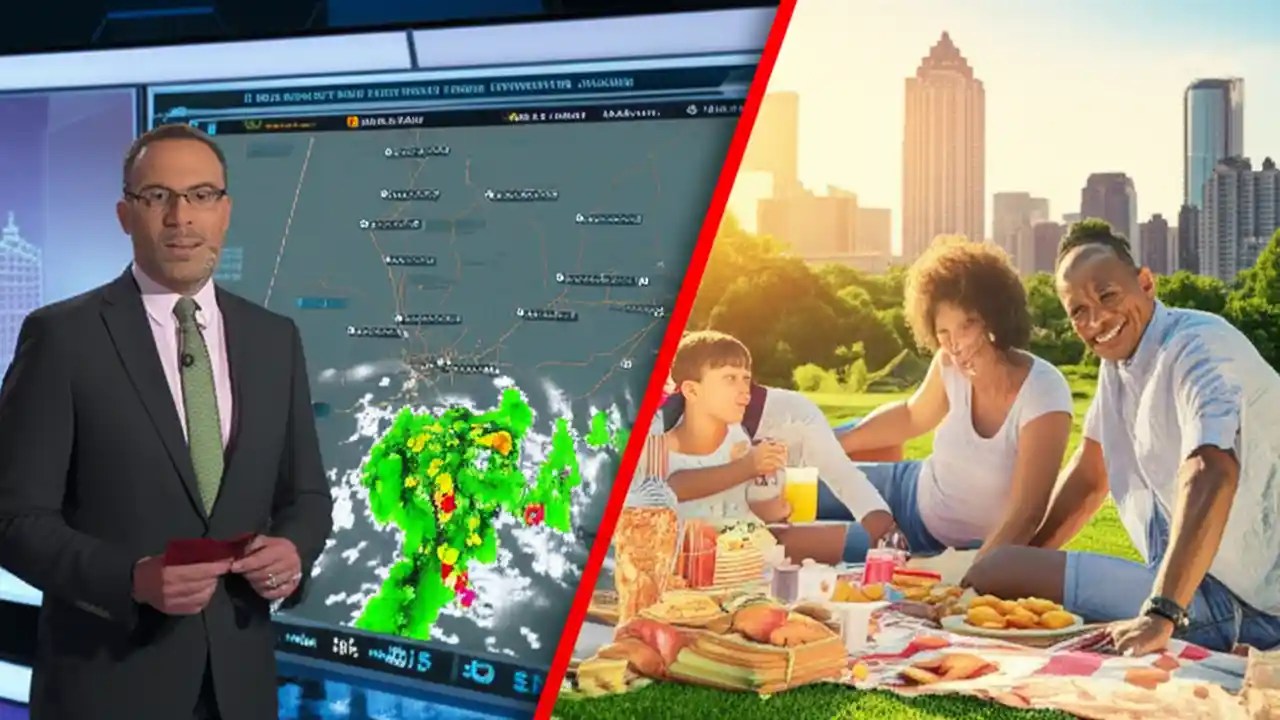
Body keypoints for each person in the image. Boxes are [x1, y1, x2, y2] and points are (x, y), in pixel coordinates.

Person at [0, 123, 334, 720]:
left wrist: (293, 552)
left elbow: (306, 495)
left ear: (225, 212)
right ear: (126, 214)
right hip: (107, 690)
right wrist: (129, 579)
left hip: (240, 691)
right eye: (157, 196)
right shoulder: (62, 337)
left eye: (201, 195)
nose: (181, 216)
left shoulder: (274, 339)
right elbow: (13, 519)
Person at [964, 219, 1280, 656]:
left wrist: (1161, 614)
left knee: (997, 570)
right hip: (1192, 587)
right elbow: (1090, 475)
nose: (1097, 319)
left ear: (1145, 283)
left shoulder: (1198, 348)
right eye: (1078, 311)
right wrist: (1022, 568)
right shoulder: (1119, 366)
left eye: (1107, 295)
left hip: (1255, 606)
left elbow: (1211, 468)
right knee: (1000, 570)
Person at [829, 236, 1075, 564]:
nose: (955, 344)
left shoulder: (1044, 392)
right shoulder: (948, 364)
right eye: (943, 332)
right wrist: (831, 445)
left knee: (795, 538)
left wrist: (969, 576)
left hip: (925, 544)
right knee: (788, 486)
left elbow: (1025, 515)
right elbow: (912, 416)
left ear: (996, 316)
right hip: (905, 487)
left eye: (967, 325)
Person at [659, 330, 902, 556]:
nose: (742, 391)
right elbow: (672, 485)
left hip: (781, 459)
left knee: (833, 530)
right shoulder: (675, 426)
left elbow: (843, 477)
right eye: (732, 379)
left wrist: (768, 506)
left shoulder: (785, 420)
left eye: (744, 379)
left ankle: (887, 545)